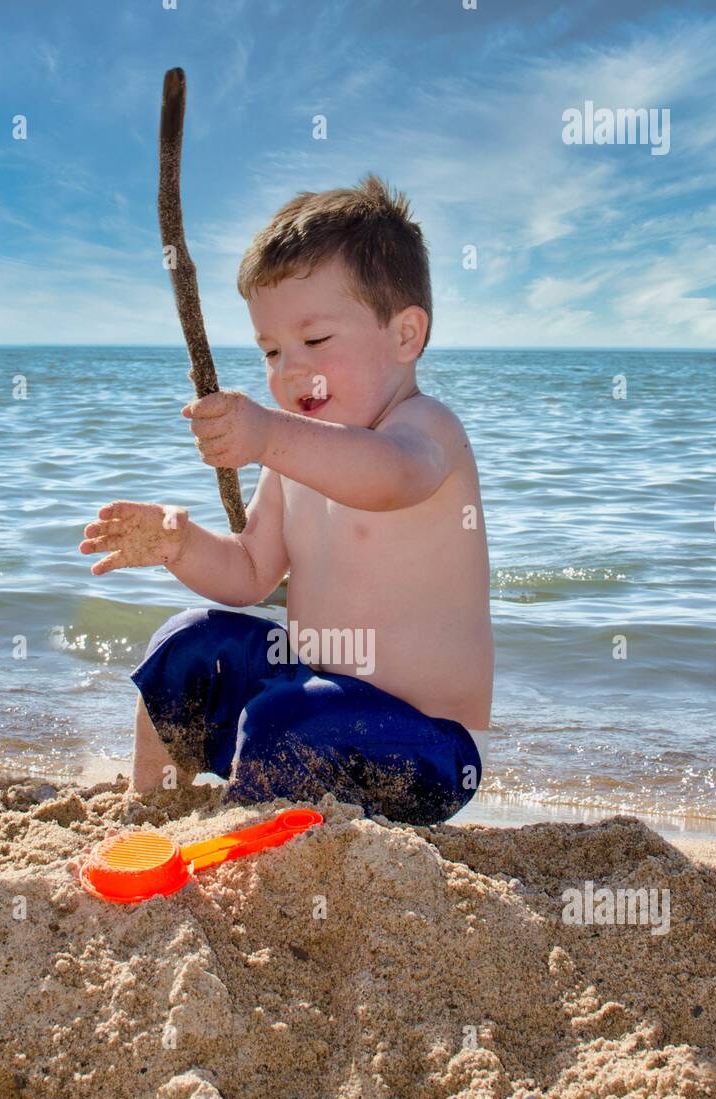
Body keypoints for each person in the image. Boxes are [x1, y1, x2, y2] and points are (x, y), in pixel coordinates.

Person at [80, 174, 493, 823]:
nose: (290, 369)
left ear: (404, 336)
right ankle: (152, 809)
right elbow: (248, 574)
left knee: (286, 718)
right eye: (271, 350)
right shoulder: (293, 462)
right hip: (310, 703)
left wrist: (269, 435)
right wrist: (179, 544)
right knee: (187, 641)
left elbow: (389, 478)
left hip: (423, 746)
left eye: (316, 341)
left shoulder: (423, 429)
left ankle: (239, 842)